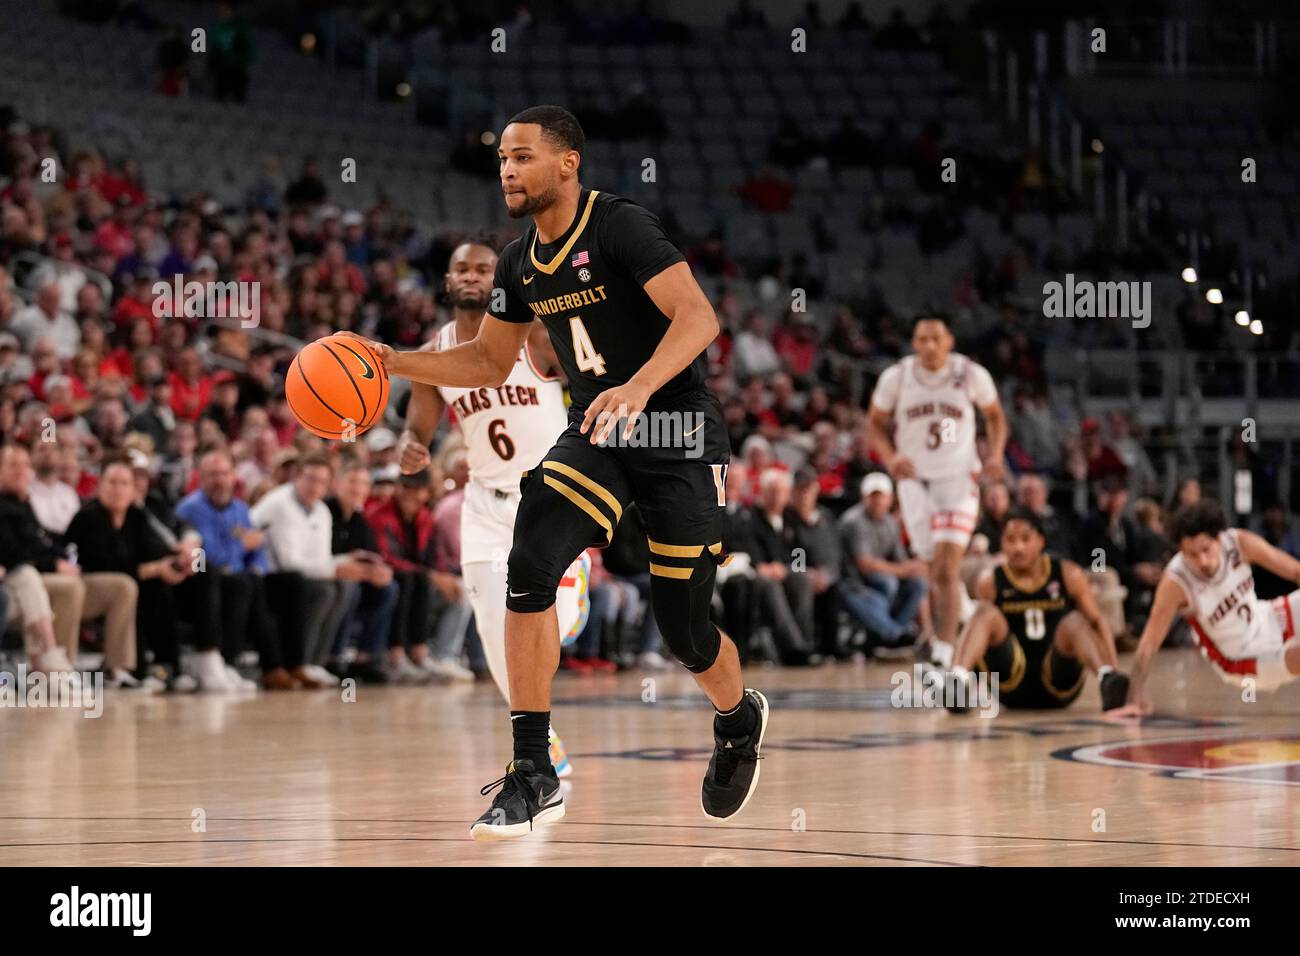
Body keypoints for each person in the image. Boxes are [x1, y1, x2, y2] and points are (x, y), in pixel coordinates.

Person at [348, 105, 766, 839]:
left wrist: (640, 387)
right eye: (502, 159)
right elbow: (485, 360)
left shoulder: (621, 226)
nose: (507, 169)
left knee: (685, 630)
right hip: (599, 432)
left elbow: (698, 318)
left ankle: (737, 721)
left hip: (676, 431)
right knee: (530, 557)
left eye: (522, 156)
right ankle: (532, 771)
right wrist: (389, 360)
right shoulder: (515, 263)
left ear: (567, 162)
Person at [396, 237, 575, 769]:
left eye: (483, 268)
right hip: (483, 503)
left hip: (549, 498)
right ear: (448, 281)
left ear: (501, 279)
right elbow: (419, 424)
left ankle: (577, 590)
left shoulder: (535, 335)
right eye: (461, 268)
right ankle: (540, 745)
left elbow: (592, 370)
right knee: (496, 634)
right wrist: (412, 445)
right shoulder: (433, 354)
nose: (471, 275)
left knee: (549, 623)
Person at [865, 314, 1007, 668]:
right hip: (914, 481)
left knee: (946, 568)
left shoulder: (970, 374)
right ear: (914, 343)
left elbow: (995, 416)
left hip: (958, 478)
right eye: (921, 339)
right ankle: (966, 622)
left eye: (935, 339)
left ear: (949, 341)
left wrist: (996, 454)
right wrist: (890, 456)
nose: (928, 345)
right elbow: (874, 424)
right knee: (937, 572)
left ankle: (944, 654)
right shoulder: (897, 377)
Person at [1114, 500, 1300, 717]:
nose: (1201, 561)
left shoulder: (1239, 543)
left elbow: (1295, 571)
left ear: (1219, 538)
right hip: (1239, 659)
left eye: (1205, 549)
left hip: (1267, 618)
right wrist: (1133, 700)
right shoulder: (1176, 582)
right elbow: (1149, 643)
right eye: (1191, 554)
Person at [934, 508, 1129, 713]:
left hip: (1058, 681)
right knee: (983, 613)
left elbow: (1098, 622)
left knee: (1074, 620)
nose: (1018, 547)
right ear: (1002, 544)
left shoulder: (1069, 574)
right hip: (1009, 682)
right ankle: (957, 680)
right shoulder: (990, 581)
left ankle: (1107, 677)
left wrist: (1114, 667)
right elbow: (976, 633)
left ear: (1041, 541)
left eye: (1026, 539)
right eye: (1010, 539)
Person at [250, 453, 374, 688]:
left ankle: (316, 661)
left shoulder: (320, 511)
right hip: (266, 577)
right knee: (323, 589)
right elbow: (289, 563)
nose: (315, 486)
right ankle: (298, 662)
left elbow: (321, 560)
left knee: (345, 587)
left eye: (322, 481)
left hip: (296, 578)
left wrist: (347, 565)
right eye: (310, 479)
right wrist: (336, 569)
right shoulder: (280, 504)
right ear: (297, 477)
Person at [64, 455, 180, 693]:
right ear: (100, 486)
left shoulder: (136, 517)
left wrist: (175, 563)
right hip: (89, 587)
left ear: (133, 489)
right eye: (112, 482)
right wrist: (151, 569)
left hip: (129, 581)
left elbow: (156, 550)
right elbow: (102, 564)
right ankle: (126, 667)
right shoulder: (87, 518)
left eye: (124, 483)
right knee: (128, 586)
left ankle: (167, 667)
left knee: (159, 589)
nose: (118, 489)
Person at [837, 472, 928, 654]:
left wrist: (915, 567)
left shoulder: (890, 523)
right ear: (864, 497)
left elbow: (900, 560)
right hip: (852, 583)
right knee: (888, 583)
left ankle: (896, 635)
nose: (877, 501)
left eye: (881, 496)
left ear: (890, 499)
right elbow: (864, 564)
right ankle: (895, 636)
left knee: (918, 584)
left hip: (880, 580)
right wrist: (902, 570)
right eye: (873, 496)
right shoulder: (854, 522)